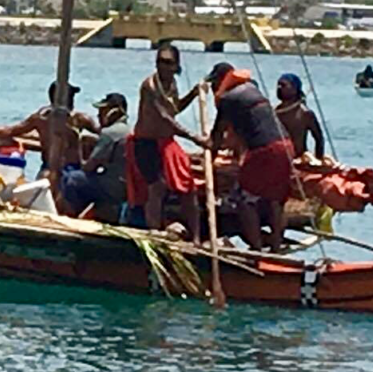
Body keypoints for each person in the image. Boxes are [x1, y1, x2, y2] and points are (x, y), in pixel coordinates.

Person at [207, 62, 293, 252]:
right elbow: (246, 130)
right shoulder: (252, 89)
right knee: (274, 199)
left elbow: (216, 136)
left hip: (265, 150)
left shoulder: (228, 98)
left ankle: (256, 249)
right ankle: (276, 247)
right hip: (286, 146)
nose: (213, 88)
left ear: (222, 80)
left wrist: (209, 161)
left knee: (243, 198)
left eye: (214, 83)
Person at [127, 43, 205, 239]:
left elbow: (174, 109)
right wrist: (194, 137)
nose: (162, 66)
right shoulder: (150, 86)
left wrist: (193, 95)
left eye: (168, 62)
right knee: (157, 186)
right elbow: (164, 117)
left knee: (188, 188)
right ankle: (154, 232)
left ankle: (196, 237)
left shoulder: (172, 85)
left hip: (166, 142)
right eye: (160, 62)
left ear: (176, 65)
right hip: (146, 143)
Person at [0, 81, 100, 183]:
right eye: (70, 97)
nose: (72, 100)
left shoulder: (76, 119)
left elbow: (103, 135)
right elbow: (11, 131)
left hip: (69, 167)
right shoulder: (44, 118)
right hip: (56, 166)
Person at [60, 93, 130, 221]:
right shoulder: (127, 130)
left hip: (112, 188)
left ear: (114, 111)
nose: (98, 115)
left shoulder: (110, 133)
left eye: (102, 111)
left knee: (71, 178)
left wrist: (77, 142)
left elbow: (88, 167)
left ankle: (70, 218)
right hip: (124, 186)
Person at [274, 73, 325, 160]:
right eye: (278, 85)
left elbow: (319, 139)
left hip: (299, 159)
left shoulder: (305, 113)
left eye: (283, 85)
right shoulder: (274, 113)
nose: (279, 88)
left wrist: (318, 160)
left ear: (294, 89)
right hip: (279, 160)